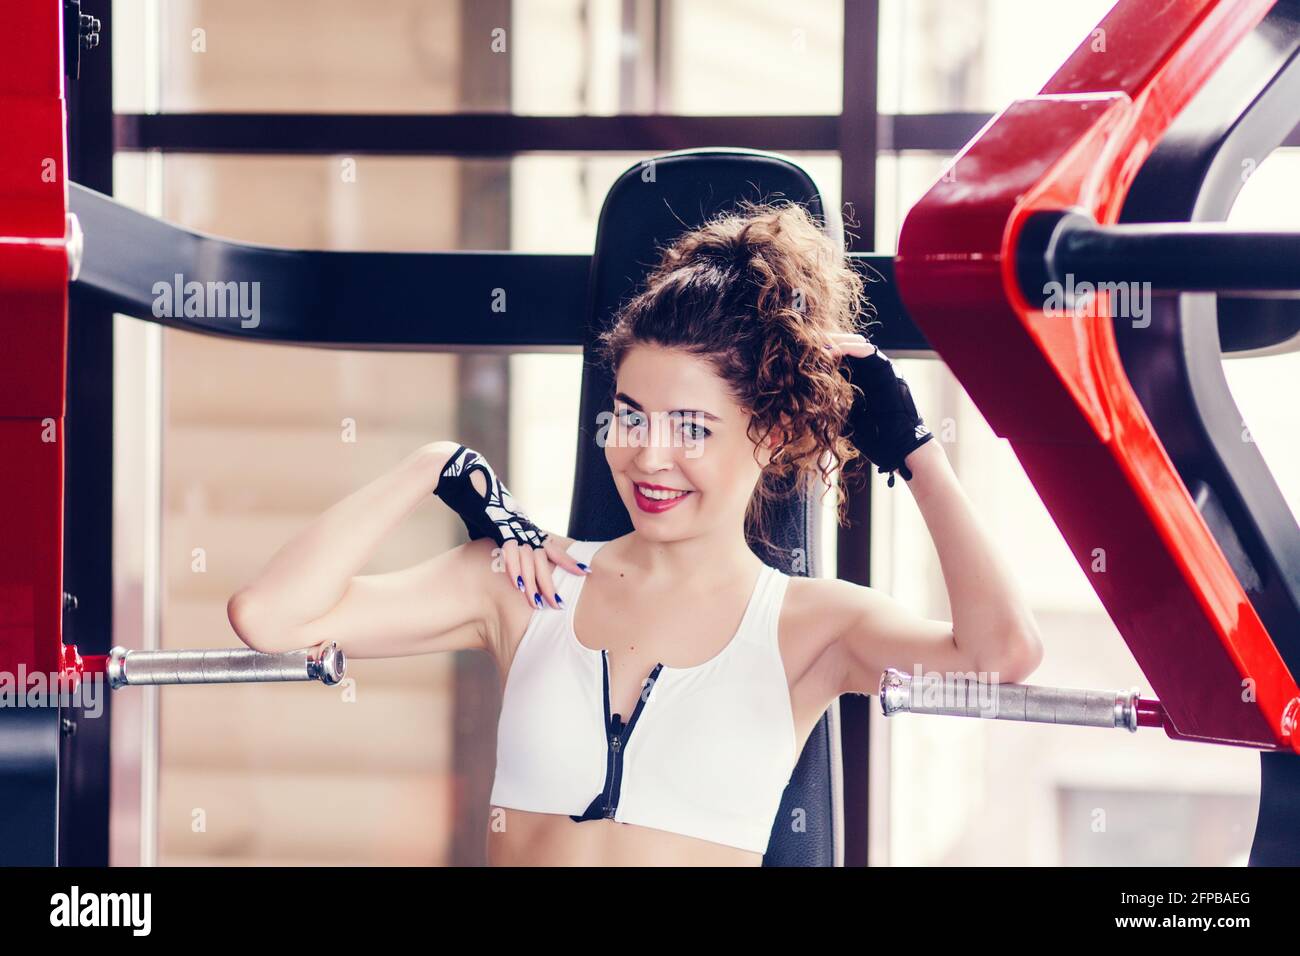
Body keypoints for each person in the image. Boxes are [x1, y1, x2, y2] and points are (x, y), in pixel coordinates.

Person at [226, 199, 1043, 866]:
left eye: (691, 426)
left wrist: (913, 450)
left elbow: (1001, 655)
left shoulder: (812, 628)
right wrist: (436, 466)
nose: (649, 456)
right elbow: (272, 617)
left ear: (771, 433)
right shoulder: (524, 583)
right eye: (629, 416)